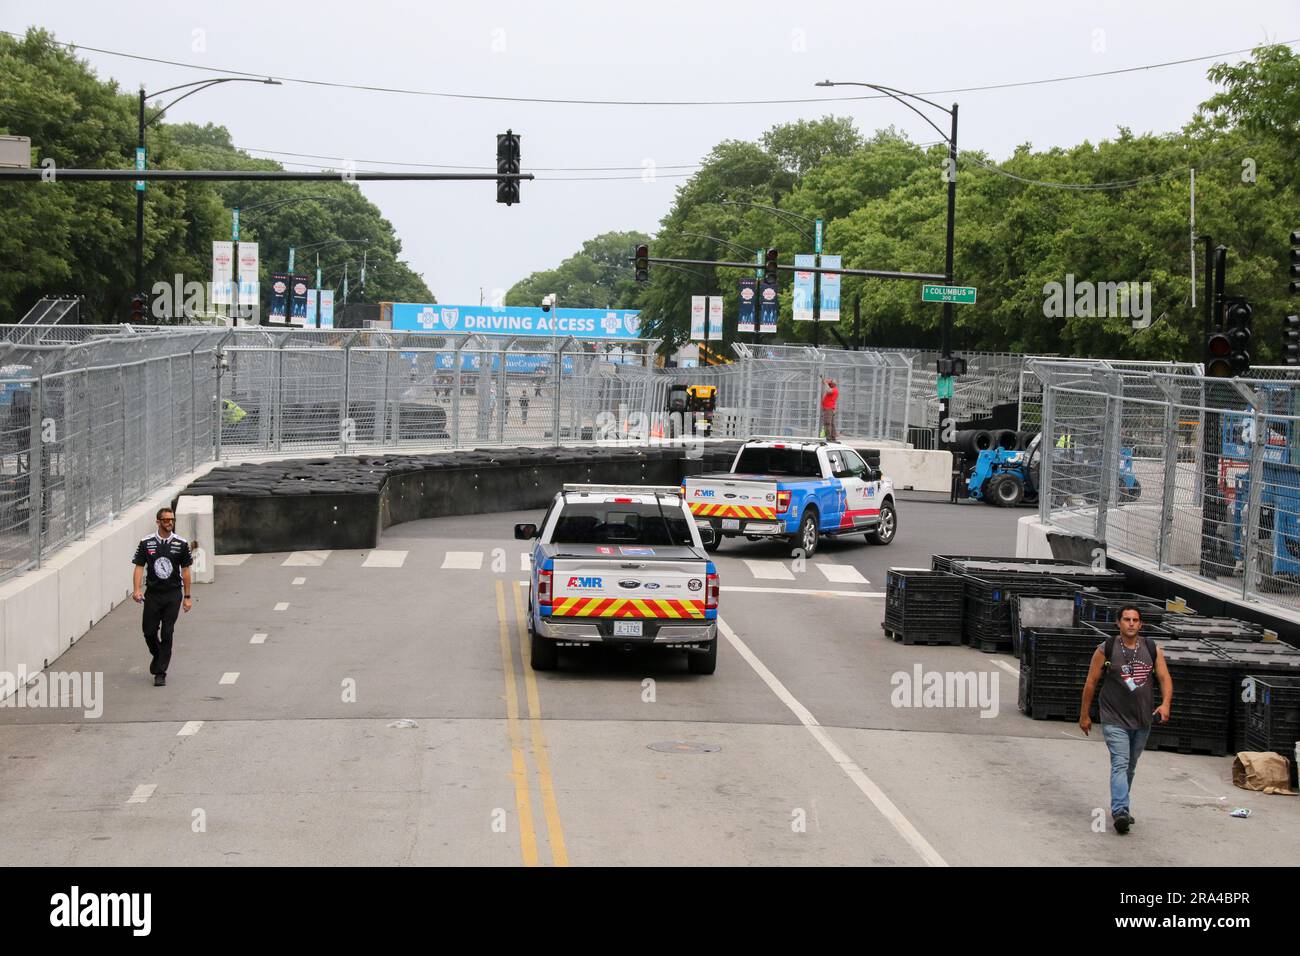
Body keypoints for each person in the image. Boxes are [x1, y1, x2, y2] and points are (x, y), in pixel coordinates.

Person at [1079, 606, 1173, 835]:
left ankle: (1122, 804)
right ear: (1118, 623)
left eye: (1135, 620)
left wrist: (1166, 703)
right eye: (1127, 619)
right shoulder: (1106, 649)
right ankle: (1120, 810)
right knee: (1120, 763)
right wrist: (1084, 714)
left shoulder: (1152, 649)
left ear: (1140, 625)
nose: (1131, 623)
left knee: (1130, 766)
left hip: (1142, 719)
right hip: (1114, 718)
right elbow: (1091, 682)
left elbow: (1164, 678)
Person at [131, 508, 193, 687]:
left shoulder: (181, 543)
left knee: (167, 632)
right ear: (158, 522)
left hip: (173, 594)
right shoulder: (146, 542)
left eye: (172, 520)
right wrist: (136, 589)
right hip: (153, 594)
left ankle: (160, 672)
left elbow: (186, 571)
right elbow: (139, 566)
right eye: (165, 520)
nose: (169, 523)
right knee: (149, 632)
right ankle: (158, 655)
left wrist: (187, 597)